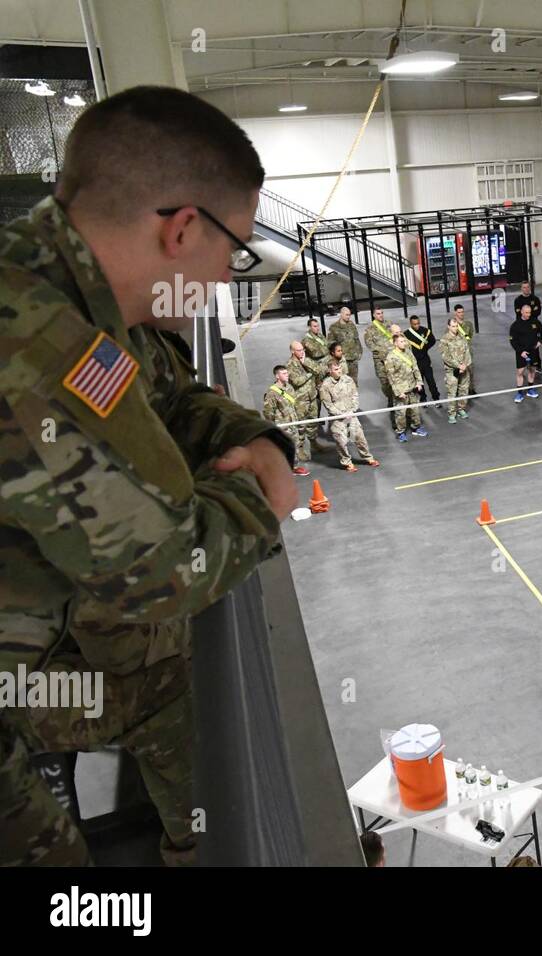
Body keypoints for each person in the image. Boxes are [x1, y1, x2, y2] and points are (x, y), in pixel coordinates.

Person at [0, 84, 296, 866]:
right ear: (183, 230)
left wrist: (257, 438)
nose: (227, 277)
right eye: (232, 252)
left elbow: (172, 392)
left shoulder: (62, 283)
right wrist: (261, 488)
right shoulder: (34, 349)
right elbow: (167, 569)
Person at [319, 361, 379, 471]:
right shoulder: (325, 385)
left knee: (359, 438)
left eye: (340, 368)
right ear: (330, 371)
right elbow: (328, 404)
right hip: (337, 418)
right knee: (341, 441)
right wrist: (341, 414)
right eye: (336, 369)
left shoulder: (348, 380)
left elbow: (355, 395)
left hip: (350, 414)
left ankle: (367, 457)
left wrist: (352, 410)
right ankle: (347, 462)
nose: (339, 371)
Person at [264, 364, 311, 475]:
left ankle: (293, 467)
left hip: (292, 422)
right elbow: (268, 412)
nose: (287, 375)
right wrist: (276, 424)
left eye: (287, 373)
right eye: (284, 373)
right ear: (277, 376)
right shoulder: (272, 393)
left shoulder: (289, 387)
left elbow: (293, 403)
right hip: (282, 425)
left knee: (294, 445)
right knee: (283, 447)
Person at [385, 329, 428, 442]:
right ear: (395, 343)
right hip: (401, 389)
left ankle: (416, 427)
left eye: (404, 341)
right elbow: (391, 377)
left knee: (415, 410)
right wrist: (398, 392)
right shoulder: (391, 357)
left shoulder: (408, 352)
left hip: (412, 387)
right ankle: (401, 432)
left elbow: (415, 367)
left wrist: (419, 382)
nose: (404, 343)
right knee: (401, 413)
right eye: (401, 341)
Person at [287, 339, 326, 451]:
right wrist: (309, 373)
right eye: (299, 350)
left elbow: (319, 370)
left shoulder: (306, 360)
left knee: (313, 422)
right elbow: (297, 381)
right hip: (301, 400)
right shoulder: (290, 365)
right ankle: (299, 449)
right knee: (301, 425)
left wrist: (306, 363)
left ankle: (314, 443)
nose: (302, 352)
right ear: (292, 351)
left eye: (303, 349)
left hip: (312, 396)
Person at [363, 307, 397, 426]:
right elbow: (369, 344)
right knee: (384, 382)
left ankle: (393, 401)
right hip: (380, 361)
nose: (381, 315)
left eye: (382, 313)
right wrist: (382, 351)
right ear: (374, 315)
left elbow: (397, 337)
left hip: (392, 358)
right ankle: (389, 397)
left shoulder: (389, 324)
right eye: (378, 314)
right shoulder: (370, 329)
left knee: (394, 380)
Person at [439, 311, 473, 423]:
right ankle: (452, 413)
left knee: (464, 390)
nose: (455, 328)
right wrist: (458, 366)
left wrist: (465, 365)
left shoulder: (462, 337)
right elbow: (446, 357)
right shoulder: (444, 339)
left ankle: (461, 408)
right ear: (448, 326)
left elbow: (467, 352)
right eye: (453, 326)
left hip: (464, 369)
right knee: (452, 393)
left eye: (456, 326)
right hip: (452, 371)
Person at [509, 302, 541, 403]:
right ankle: (519, 393)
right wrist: (520, 351)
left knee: (532, 370)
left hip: (533, 351)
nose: (528, 314)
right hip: (521, 353)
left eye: (529, 312)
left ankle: (530, 389)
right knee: (520, 372)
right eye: (526, 312)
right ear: (521, 312)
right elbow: (512, 341)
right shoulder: (515, 325)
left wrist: (540, 341)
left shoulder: (535, 321)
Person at [405, 314, 441, 401]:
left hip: (425, 360)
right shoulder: (406, 334)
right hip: (415, 362)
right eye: (414, 324)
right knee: (419, 382)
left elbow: (432, 340)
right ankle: (423, 397)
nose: (417, 325)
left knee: (431, 380)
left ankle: (436, 398)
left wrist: (425, 348)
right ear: (410, 324)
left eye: (418, 323)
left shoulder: (425, 331)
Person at [326, 305, 363, 387]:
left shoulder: (351, 325)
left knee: (354, 381)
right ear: (341, 314)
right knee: (342, 382)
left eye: (349, 315)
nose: (348, 317)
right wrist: (334, 357)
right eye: (346, 315)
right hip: (342, 360)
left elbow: (356, 339)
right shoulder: (334, 327)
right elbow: (330, 344)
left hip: (353, 358)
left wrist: (359, 352)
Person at [514, 281, 542, 376]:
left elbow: (537, 311)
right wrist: (531, 312)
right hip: (522, 328)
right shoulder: (518, 300)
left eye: (528, 287)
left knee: (535, 347)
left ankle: (537, 367)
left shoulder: (535, 299)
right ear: (521, 289)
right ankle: (522, 368)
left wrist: (529, 315)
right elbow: (519, 313)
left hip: (533, 327)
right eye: (524, 287)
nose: (526, 289)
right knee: (522, 348)